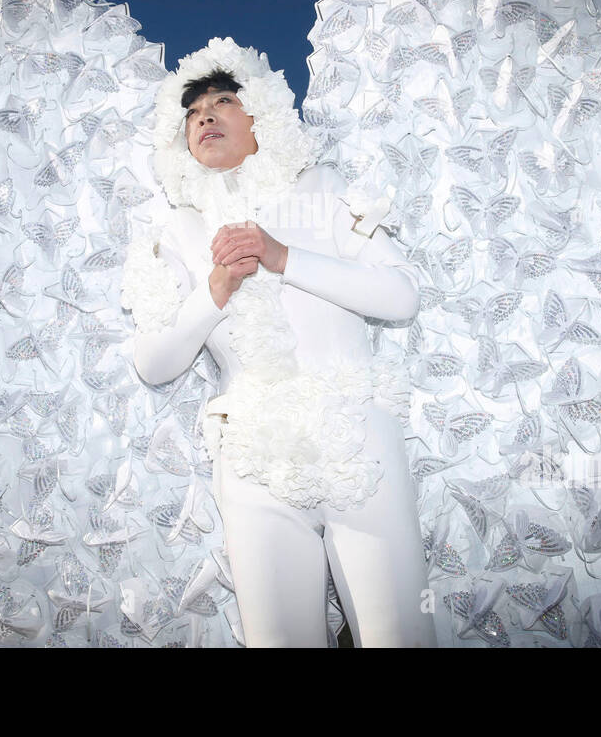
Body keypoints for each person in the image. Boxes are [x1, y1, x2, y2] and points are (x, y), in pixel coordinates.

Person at [121, 40, 438, 647]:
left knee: (399, 633)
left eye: (223, 101)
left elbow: (401, 297)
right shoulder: (179, 230)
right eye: (192, 112)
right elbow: (155, 363)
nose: (206, 116)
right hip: (250, 456)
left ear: (260, 113)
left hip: (358, 439)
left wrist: (279, 255)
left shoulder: (321, 187)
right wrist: (215, 289)